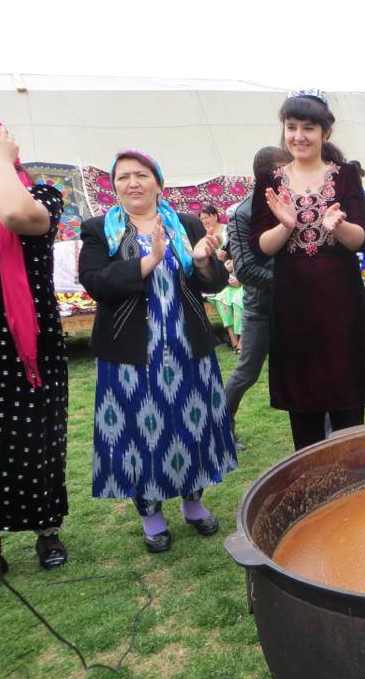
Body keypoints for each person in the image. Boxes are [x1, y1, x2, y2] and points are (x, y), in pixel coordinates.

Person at [79, 149, 237, 554]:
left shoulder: (183, 224)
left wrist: (203, 262)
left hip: (188, 350)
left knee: (192, 426)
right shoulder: (99, 230)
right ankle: (150, 511)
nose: (132, 183)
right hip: (131, 354)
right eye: (123, 177)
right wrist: (147, 261)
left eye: (141, 175)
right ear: (113, 187)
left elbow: (213, 284)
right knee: (139, 434)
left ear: (158, 182)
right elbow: (95, 282)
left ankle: (193, 501)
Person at [0, 114, 69, 601]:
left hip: (27, 348)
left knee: (34, 442)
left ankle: (46, 531)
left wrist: (5, 163)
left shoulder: (40, 195)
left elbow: (14, 217)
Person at [249, 90, 365, 449]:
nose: (298, 136)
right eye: (291, 127)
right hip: (294, 305)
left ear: (326, 132)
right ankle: (311, 488)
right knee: (303, 407)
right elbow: (259, 246)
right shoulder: (270, 179)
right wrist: (286, 225)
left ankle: (353, 483)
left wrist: (336, 226)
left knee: (348, 403)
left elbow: (363, 240)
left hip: (341, 303)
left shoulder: (345, 176)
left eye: (308, 127)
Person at [223, 147, 287, 443]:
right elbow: (246, 271)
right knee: (247, 373)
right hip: (260, 310)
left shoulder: (296, 205)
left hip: (295, 308)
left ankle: (326, 435)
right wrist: (293, 280)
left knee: (311, 368)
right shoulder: (242, 213)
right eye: (283, 171)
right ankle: (222, 428)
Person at [201, 205, 242, 351]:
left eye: (206, 217)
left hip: (241, 278)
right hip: (223, 275)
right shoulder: (202, 235)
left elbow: (243, 260)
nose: (204, 221)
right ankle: (234, 341)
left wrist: (238, 277)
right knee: (221, 298)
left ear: (215, 216)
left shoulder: (229, 233)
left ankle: (242, 341)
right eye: (202, 218)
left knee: (238, 300)